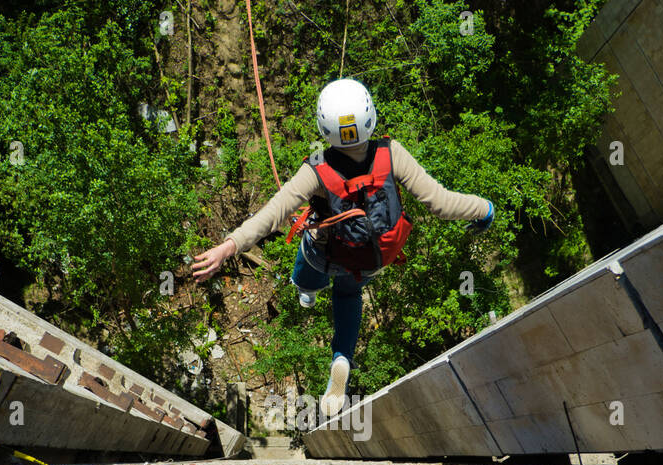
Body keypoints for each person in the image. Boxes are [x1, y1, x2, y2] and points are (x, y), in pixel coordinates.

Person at [191, 78, 494, 417]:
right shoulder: (391, 153)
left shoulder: (317, 168)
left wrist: (229, 246)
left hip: (325, 256)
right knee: (349, 295)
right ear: (370, 117)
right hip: (371, 257)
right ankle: (341, 358)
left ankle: (306, 291)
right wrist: (484, 209)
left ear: (324, 127)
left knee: (305, 262)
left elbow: (273, 213)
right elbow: (440, 202)